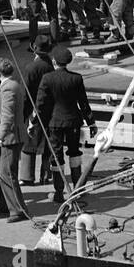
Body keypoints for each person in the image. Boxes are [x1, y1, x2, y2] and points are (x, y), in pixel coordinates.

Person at [36, 46, 97, 204]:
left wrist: (34, 122)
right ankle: (77, 189)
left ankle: (59, 192)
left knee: (56, 156)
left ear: (54, 61)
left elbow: (41, 104)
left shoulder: (47, 78)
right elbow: (83, 102)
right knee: (75, 153)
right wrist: (91, 122)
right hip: (73, 121)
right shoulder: (76, 78)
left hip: (54, 122)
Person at [0, 58, 31, 223]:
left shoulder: (8, 89)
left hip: (10, 137)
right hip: (15, 134)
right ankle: (4, 205)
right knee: (4, 173)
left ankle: (17, 210)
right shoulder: (14, 85)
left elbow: (7, 117)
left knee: (8, 173)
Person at [19, 34, 55, 186]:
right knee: (47, 143)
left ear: (34, 48)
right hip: (50, 109)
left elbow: (26, 93)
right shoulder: (50, 66)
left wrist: (22, 114)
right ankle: (46, 175)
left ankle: (27, 176)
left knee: (29, 143)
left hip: (33, 108)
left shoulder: (32, 68)